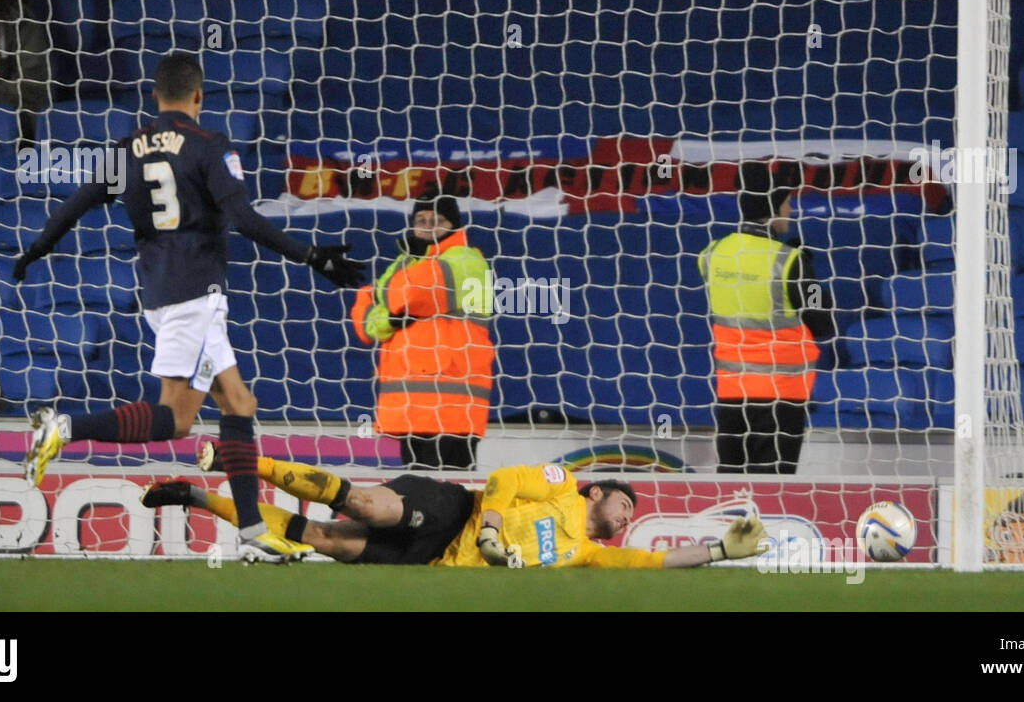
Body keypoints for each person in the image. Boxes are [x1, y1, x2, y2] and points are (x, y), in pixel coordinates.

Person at [11, 53, 365, 563]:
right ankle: (63, 428)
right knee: (175, 420)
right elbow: (243, 217)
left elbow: (79, 201)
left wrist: (38, 248)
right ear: (199, 96)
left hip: (158, 289)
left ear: (156, 98)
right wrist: (309, 255)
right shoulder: (208, 146)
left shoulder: (127, 146)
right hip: (195, 293)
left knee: (239, 404)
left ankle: (251, 531)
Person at [141, 443, 768, 568]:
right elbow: (502, 479)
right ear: (598, 493)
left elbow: (653, 565)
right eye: (626, 504)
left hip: (436, 563)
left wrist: (716, 549)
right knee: (367, 504)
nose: (630, 516)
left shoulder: (587, 554)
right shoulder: (562, 481)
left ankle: (198, 497)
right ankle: (245, 462)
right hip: (452, 513)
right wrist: (491, 530)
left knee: (325, 541)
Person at [699, 161, 833, 474]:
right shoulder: (790, 261)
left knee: (732, 484)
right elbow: (823, 322)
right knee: (773, 489)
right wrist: (808, 273)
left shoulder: (712, 253)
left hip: (732, 394)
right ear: (772, 208)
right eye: (787, 203)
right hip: (781, 396)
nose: (790, 210)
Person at [349, 195, 495, 470]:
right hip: (413, 407)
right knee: (417, 495)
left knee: (451, 494)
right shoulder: (409, 261)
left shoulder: (467, 260)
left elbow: (412, 294)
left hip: (452, 407)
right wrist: (389, 318)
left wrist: (387, 313)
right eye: (420, 220)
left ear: (454, 225)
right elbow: (363, 309)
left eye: (437, 221)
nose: (427, 226)